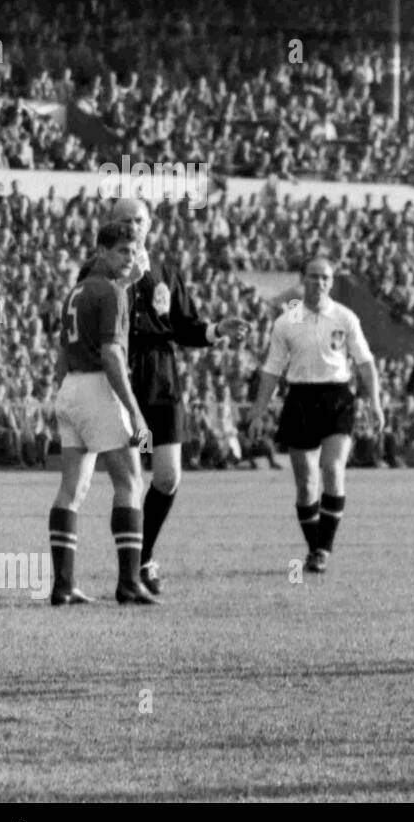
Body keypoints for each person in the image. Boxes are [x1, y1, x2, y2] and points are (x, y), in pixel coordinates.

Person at [104, 198, 250, 595]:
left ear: (150, 224)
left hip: (162, 374)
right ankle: (130, 574)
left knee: (168, 476)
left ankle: (144, 556)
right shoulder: (103, 266)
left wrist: (218, 329)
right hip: (122, 370)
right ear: (112, 224)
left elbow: (184, 326)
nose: (133, 226)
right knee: (130, 479)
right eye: (125, 220)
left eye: (139, 219)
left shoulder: (166, 270)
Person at [247, 258, 384, 574]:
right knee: (307, 482)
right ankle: (314, 549)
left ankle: (324, 548)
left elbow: (365, 363)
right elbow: (272, 369)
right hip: (301, 398)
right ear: (302, 279)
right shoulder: (288, 320)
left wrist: (375, 403)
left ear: (331, 282)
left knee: (333, 468)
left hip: (337, 397)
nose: (319, 283)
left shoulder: (345, 317)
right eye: (313, 277)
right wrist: (257, 411)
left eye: (325, 278)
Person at [47, 221, 158, 606]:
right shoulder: (111, 292)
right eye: (123, 251)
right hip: (97, 387)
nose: (130, 258)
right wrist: (135, 412)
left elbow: (61, 354)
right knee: (131, 483)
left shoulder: (77, 290)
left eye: (135, 250)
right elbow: (112, 354)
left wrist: (66, 394)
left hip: (71, 388)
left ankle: (63, 586)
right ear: (102, 252)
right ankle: (129, 583)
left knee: (72, 490)